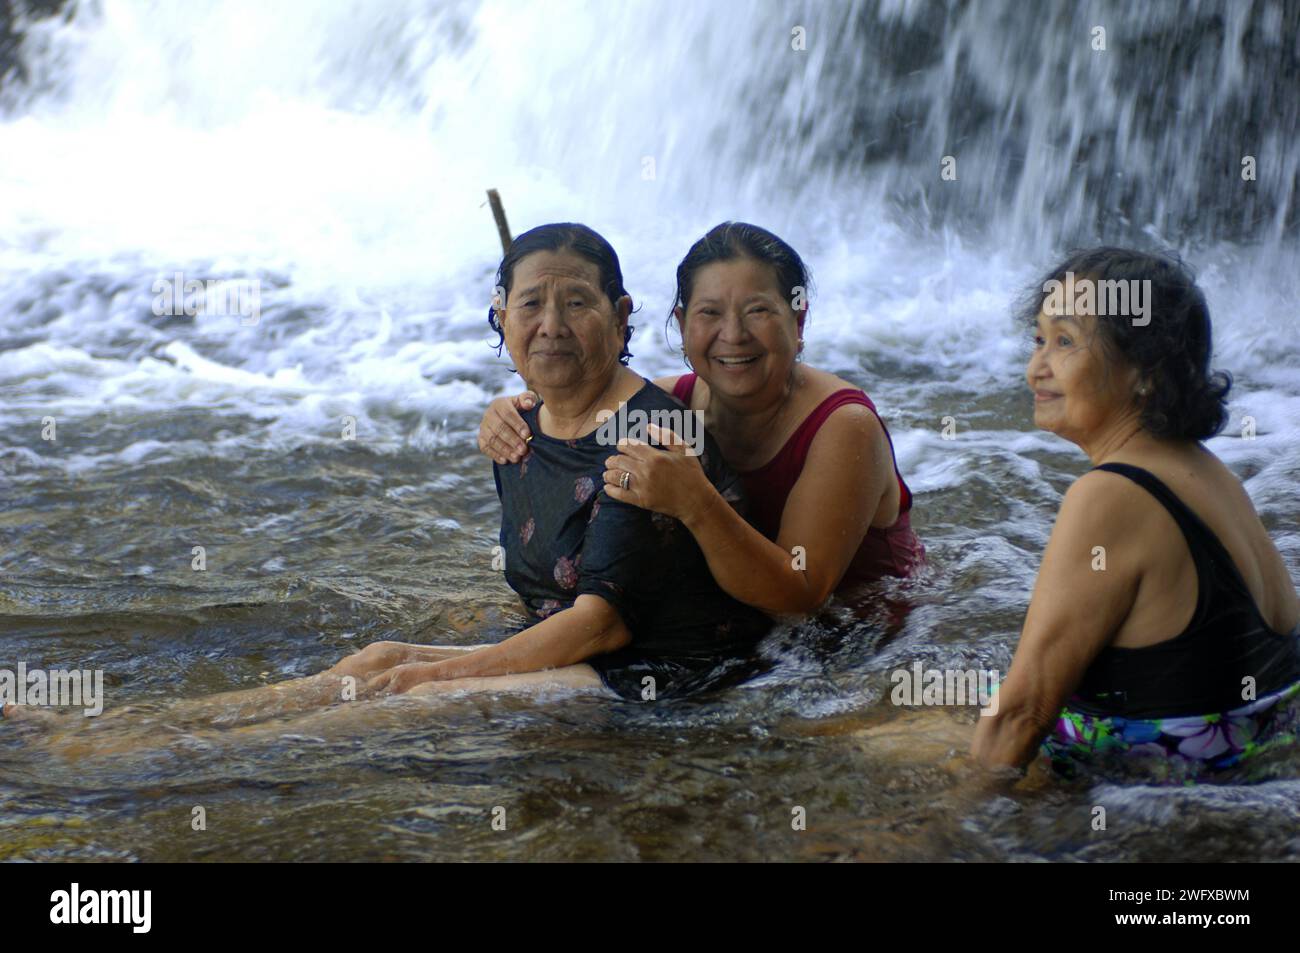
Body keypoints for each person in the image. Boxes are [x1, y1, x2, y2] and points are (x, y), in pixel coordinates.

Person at [4, 223, 772, 746]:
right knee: (376, 658)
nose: (553, 324)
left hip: (662, 679)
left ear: (622, 313)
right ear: (499, 317)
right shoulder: (522, 426)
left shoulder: (647, 436)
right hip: (580, 656)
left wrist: (436, 672)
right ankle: (128, 724)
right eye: (531, 303)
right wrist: (424, 659)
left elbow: (601, 624)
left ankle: (123, 759)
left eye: (578, 302)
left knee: (408, 692)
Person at [480, 222, 924, 617]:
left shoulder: (842, 425)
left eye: (758, 311)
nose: (733, 334)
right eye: (709, 313)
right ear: (681, 323)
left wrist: (696, 504)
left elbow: (801, 595)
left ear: (799, 319)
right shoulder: (672, 405)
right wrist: (515, 412)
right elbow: (574, 414)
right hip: (750, 639)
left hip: (867, 634)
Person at [971, 247, 1300, 779]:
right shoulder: (1212, 475)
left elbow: (1022, 714)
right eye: (1038, 340)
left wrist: (949, 832)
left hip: (1140, 799)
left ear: (1145, 370)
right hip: (1245, 781)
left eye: (1065, 341)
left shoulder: (1111, 495)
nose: (1037, 368)